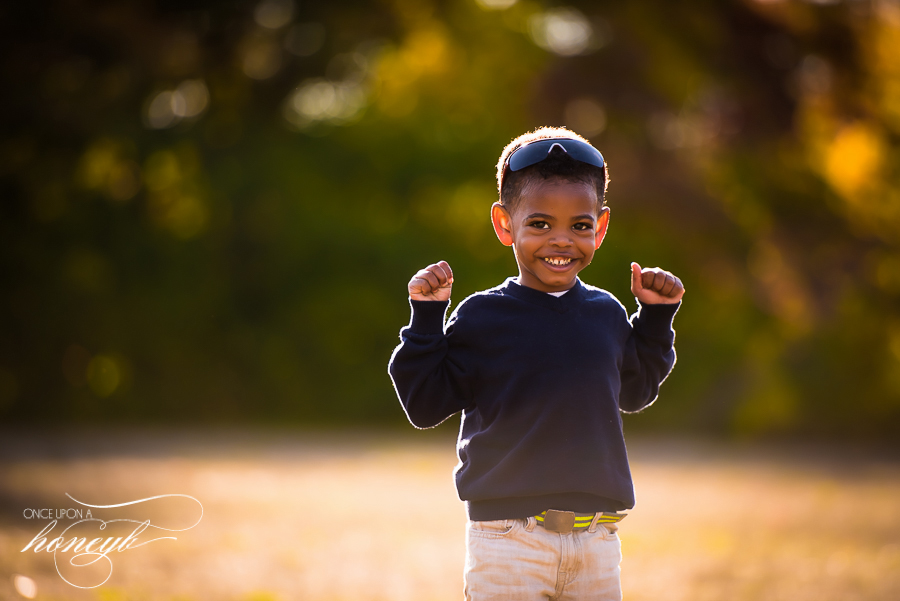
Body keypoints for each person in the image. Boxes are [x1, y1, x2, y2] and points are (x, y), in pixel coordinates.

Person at [388, 126, 684, 600]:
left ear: (601, 228)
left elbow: (635, 391)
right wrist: (426, 317)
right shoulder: (484, 316)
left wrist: (655, 317)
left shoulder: (606, 314)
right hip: (509, 543)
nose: (561, 240)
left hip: (597, 544)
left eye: (580, 226)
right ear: (505, 225)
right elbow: (424, 404)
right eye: (540, 224)